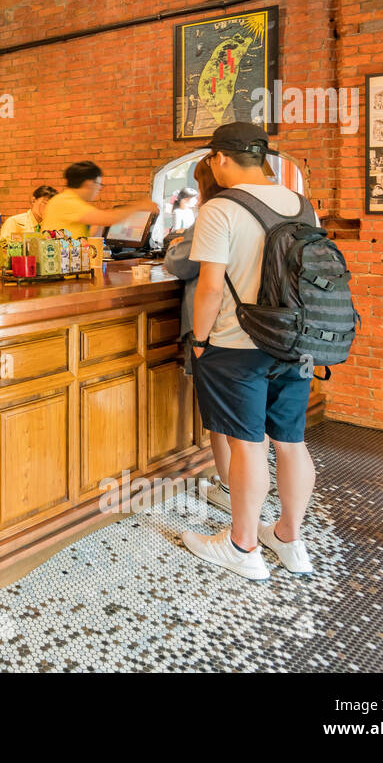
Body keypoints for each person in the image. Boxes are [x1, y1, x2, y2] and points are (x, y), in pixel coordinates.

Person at [180, 122, 319, 581]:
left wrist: (199, 340)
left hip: (237, 344)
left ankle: (243, 546)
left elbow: (210, 288)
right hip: (294, 342)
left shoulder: (220, 208)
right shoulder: (302, 205)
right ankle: (289, 540)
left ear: (220, 159)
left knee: (248, 445)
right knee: (292, 442)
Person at [161, 160, 233, 513]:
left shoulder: (213, 213)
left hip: (213, 328)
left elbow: (181, 263)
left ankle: (229, 487)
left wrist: (173, 245)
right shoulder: (278, 206)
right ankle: (249, 489)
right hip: (259, 329)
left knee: (220, 415)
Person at [43, 161, 157, 238]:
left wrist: (98, 222)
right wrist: (139, 206)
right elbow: (110, 218)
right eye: (99, 184)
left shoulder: (65, 200)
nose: (99, 189)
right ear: (89, 183)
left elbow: (89, 236)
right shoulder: (67, 202)